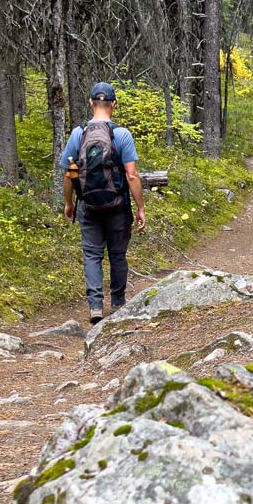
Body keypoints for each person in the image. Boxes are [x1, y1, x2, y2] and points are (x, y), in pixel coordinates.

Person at [60, 81, 146, 325]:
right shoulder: (121, 134)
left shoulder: (79, 133)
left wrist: (69, 203)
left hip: (88, 206)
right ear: (113, 104)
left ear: (91, 103)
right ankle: (118, 303)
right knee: (117, 254)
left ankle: (95, 306)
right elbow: (131, 175)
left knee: (92, 254)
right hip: (118, 206)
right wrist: (140, 208)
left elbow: (69, 173)